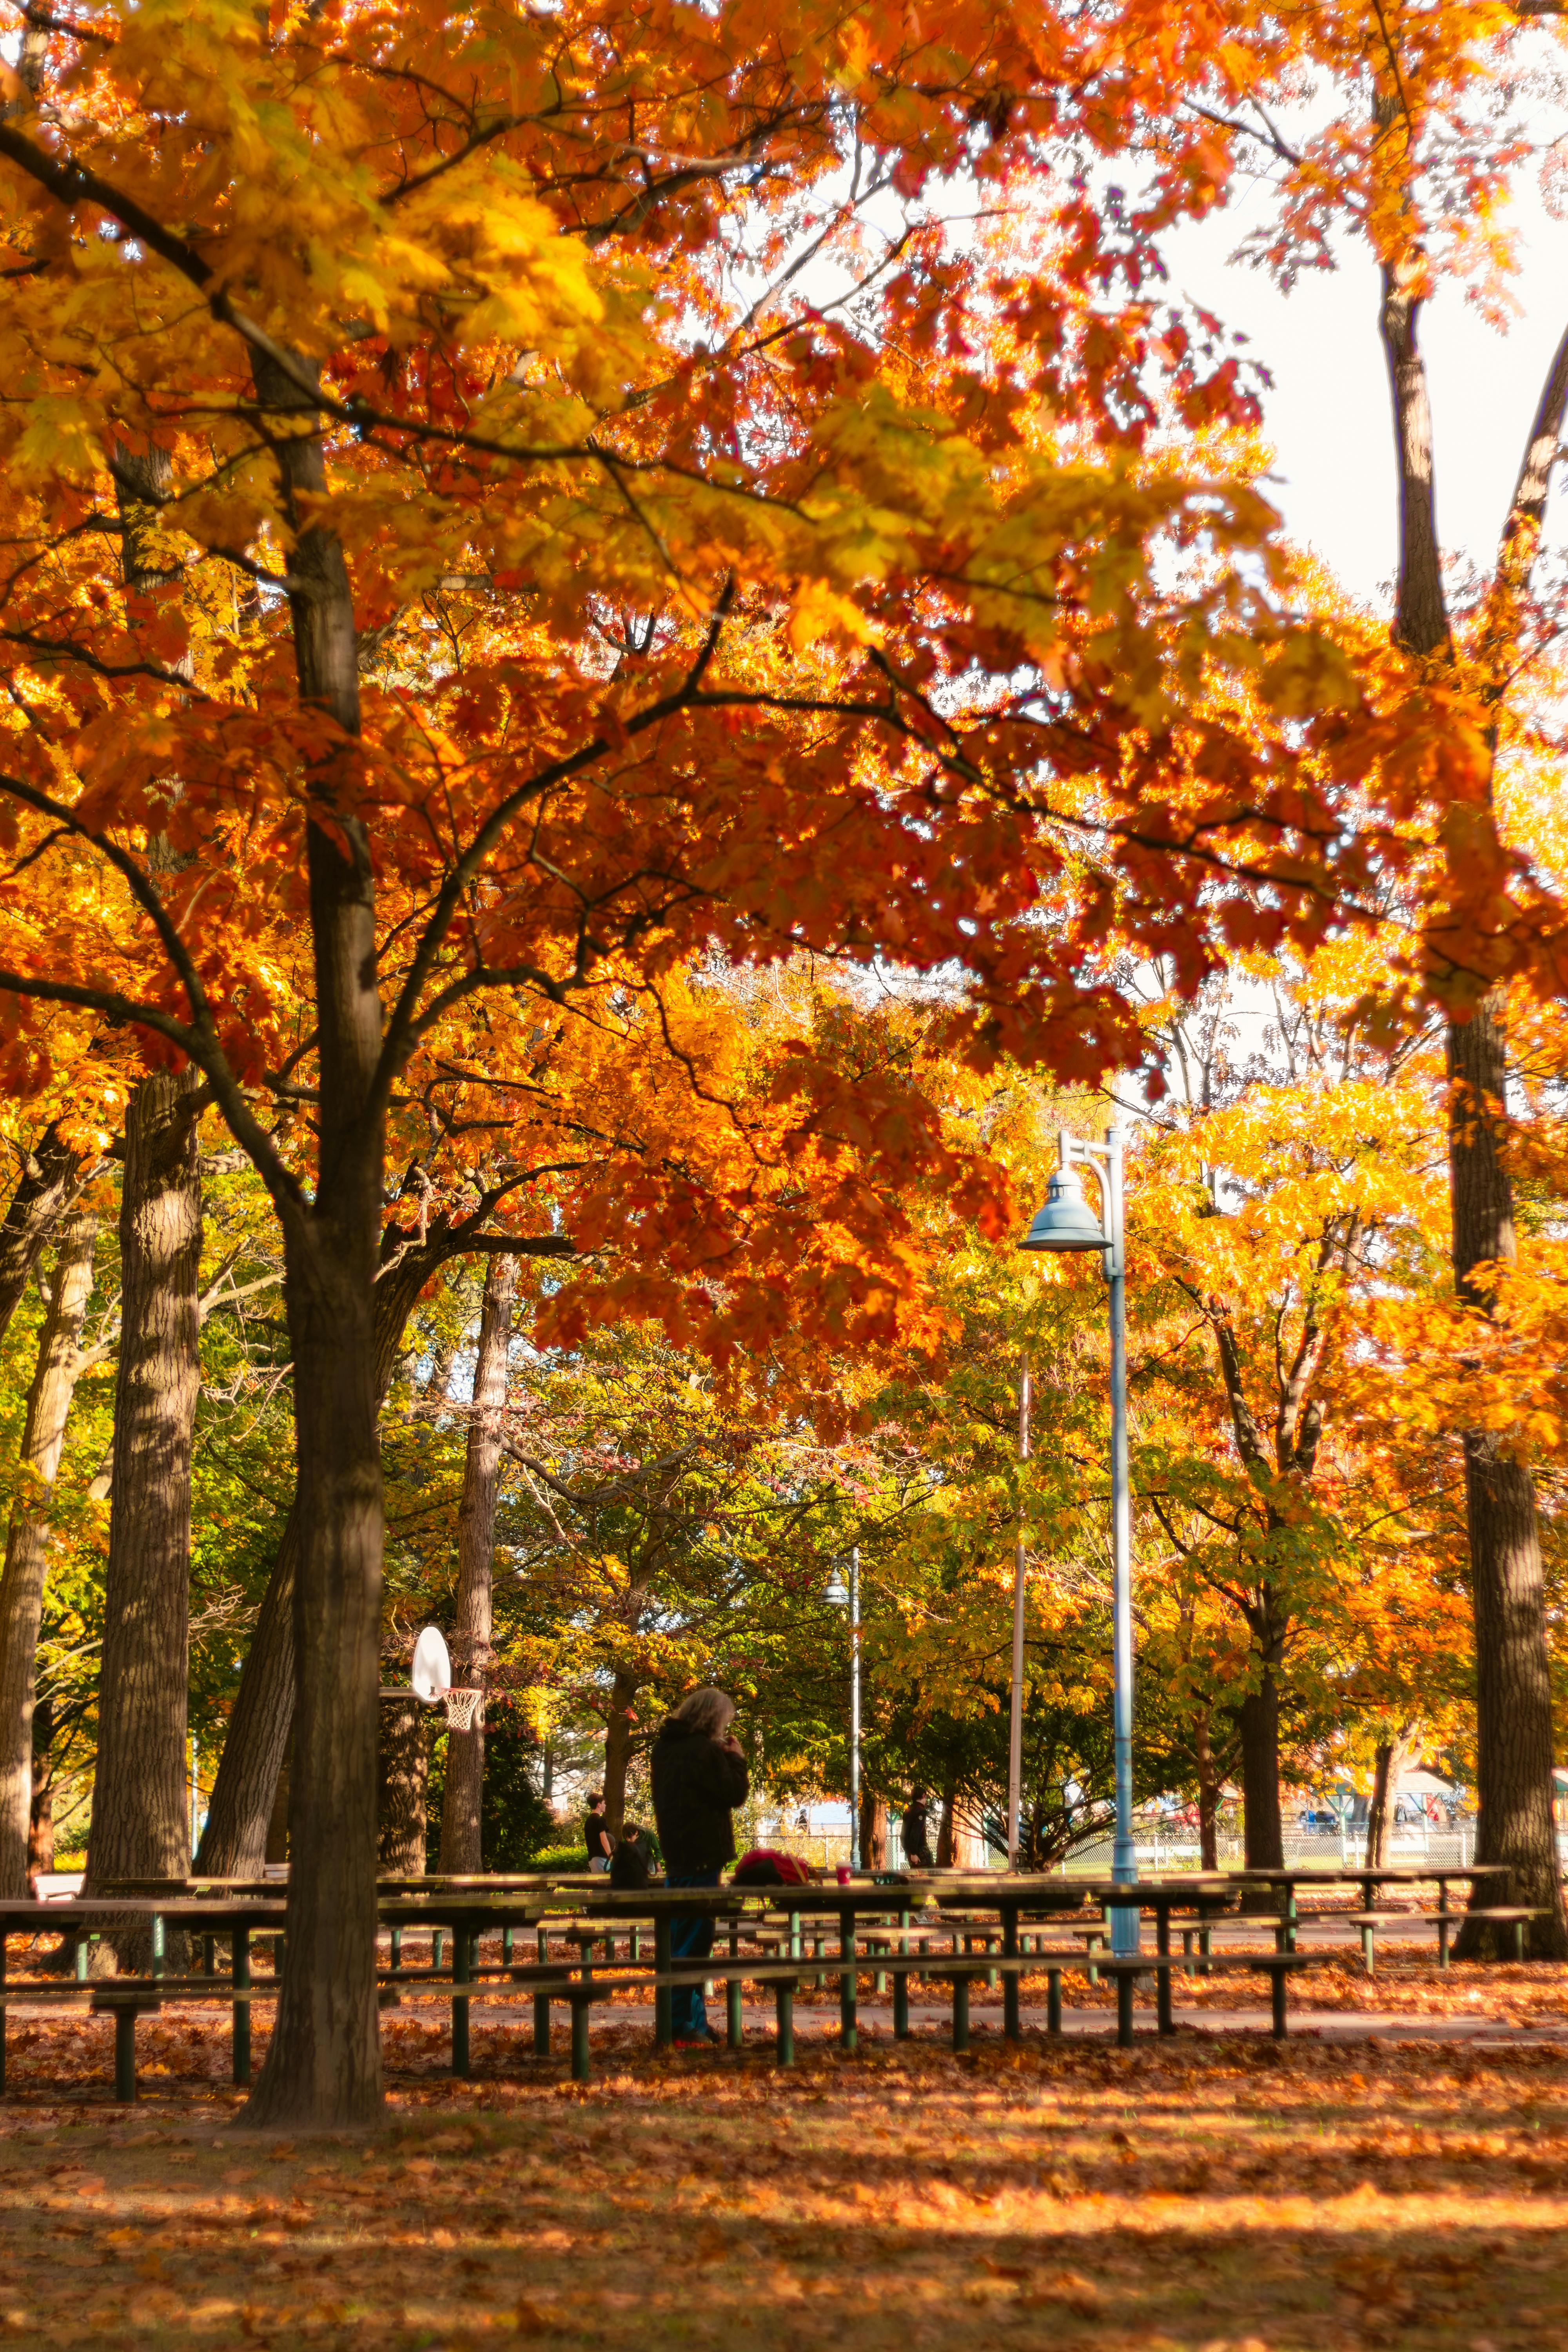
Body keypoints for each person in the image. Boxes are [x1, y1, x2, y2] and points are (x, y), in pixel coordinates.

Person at [650, 1686, 748, 2046]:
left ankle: (694, 2021)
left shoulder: (664, 1749)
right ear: (712, 1718)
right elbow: (734, 1794)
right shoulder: (706, 1751)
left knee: (682, 1940)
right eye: (725, 1721)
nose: (726, 1728)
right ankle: (681, 2026)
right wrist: (736, 1758)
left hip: (677, 1855)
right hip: (703, 1855)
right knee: (694, 1946)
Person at [901, 1789, 933, 1871]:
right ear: (923, 1795)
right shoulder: (921, 1811)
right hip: (919, 1849)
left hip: (909, 1849)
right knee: (928, 1873)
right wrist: (914, 1853)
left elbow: (904, 1832)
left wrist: (908, 1850)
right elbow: (916, 1832)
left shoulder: (908, 1810)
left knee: (916, 1874)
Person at [584, 1791, 613, 1873]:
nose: (605, 1805)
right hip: (601, 1859)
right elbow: (604, 1840)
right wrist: (611, 1857)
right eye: (604, 1803)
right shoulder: (600, 1820)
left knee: (599, 1884)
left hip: (592, 1860)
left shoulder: (588, 1821)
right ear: (599, 1805)